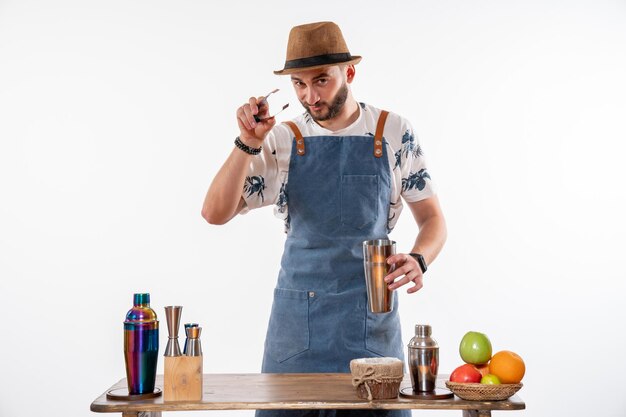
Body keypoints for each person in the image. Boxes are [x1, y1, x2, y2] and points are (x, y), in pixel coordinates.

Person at [202, 21, 446, 417]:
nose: (310, 96)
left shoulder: (393, 132)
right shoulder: (282, 138)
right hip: (296, 330)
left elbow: (433, 219)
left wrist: (419, 259)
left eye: (321, 81)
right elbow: (214, 213)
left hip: (371, 325)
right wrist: (248, 142)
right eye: (299, 84)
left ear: (349, 73)